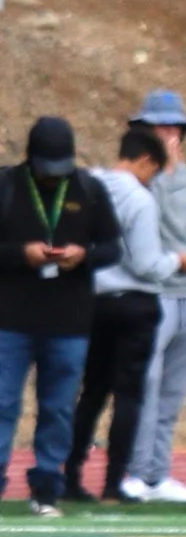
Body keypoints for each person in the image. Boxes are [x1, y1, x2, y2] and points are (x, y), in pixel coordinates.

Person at [0, 119, 120, 514]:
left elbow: (113, 248)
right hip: (10, 319)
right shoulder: (7, 187)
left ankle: (48, 486)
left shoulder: (89, 190)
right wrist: (22, 254)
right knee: (2, 402)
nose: (53, 178)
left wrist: (83, 256)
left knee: (58, 407)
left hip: (69, 322)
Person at [67, 128, 181, 506]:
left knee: (91, 391)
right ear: (146, 162)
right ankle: (115, 482)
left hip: (92, 300)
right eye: (153, 172)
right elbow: (146, 262)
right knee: (127, 394)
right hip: (134, 305)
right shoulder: (139, 199)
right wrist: (176, 262)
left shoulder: (88, 186)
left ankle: (69, 475)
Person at [127, 90, 186, 504]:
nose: (169, 133)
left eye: (175, 126)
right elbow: (158, 220)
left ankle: (158, 473)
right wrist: (168, 170)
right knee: (146, 384)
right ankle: (135, 470)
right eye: (161, 126)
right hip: (154, 292)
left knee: (173, 390)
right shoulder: (141, 180)